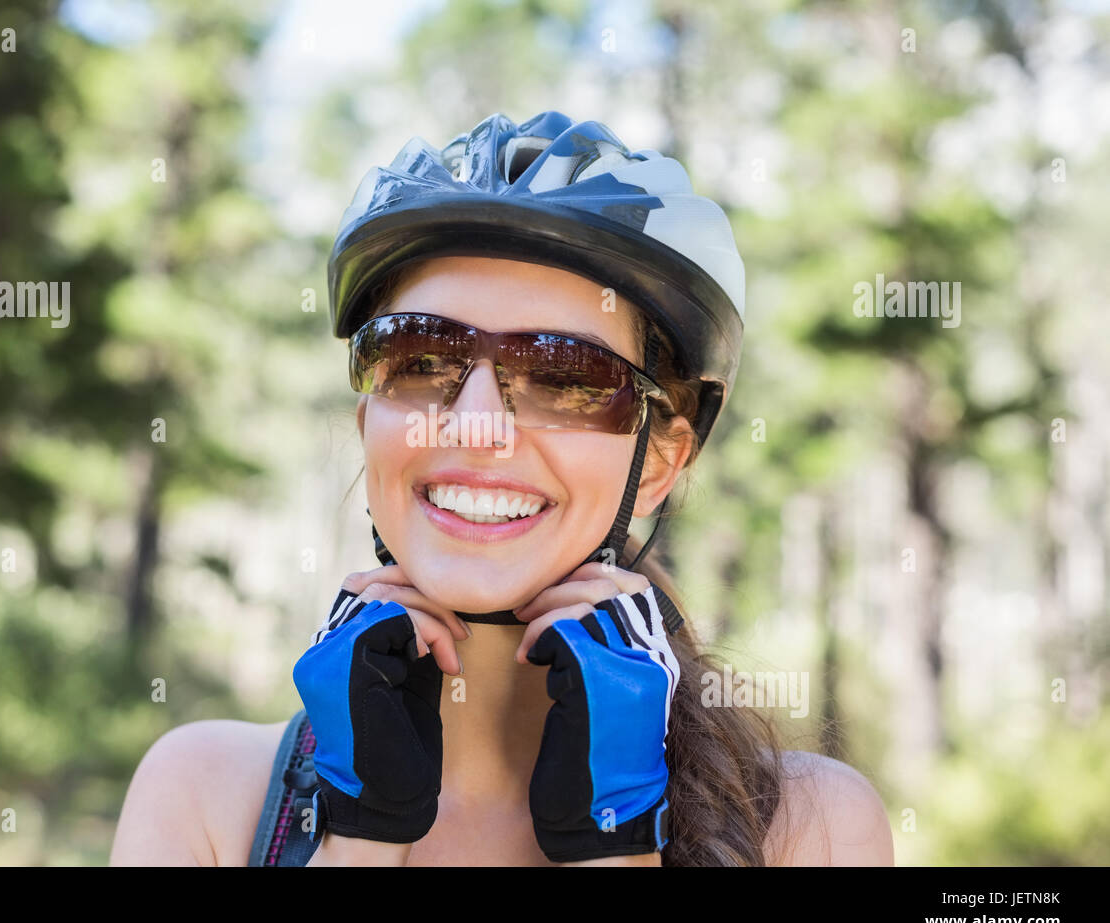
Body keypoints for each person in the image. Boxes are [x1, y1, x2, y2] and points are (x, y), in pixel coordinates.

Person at [111, 110, 895, 867]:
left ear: (658, 463)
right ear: (368, 429)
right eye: (419, 359)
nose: (474, 425)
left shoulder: (809, 830)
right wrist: (356, 839)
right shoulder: (205, 796)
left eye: (566, 376)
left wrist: (617, 841)